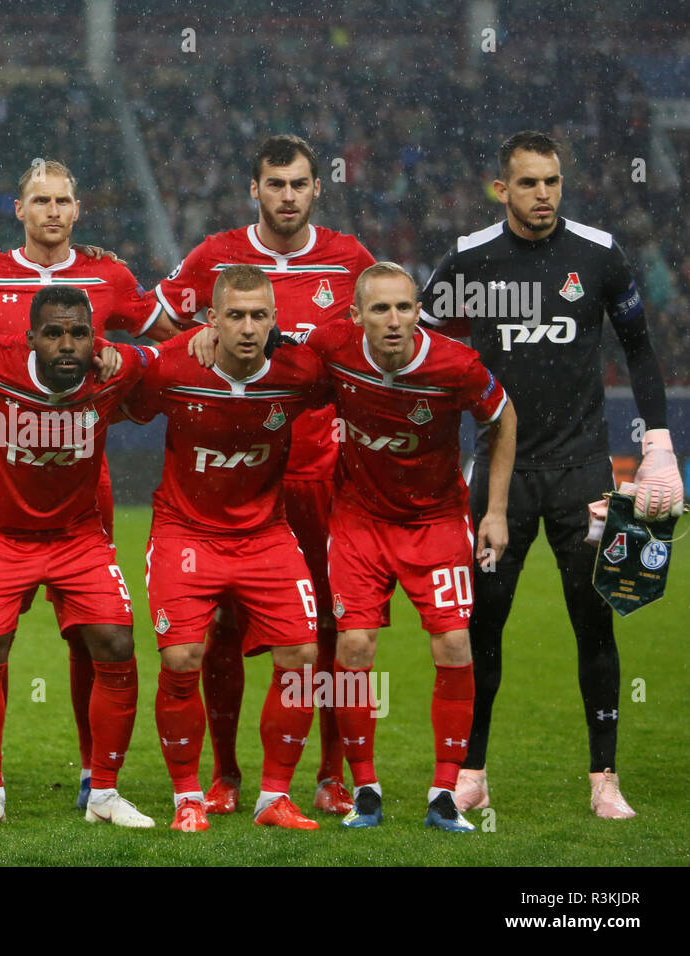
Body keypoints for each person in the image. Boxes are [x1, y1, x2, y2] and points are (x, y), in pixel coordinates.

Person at [418, 130, 682, 818]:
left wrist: (658, 445)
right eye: (529, 183)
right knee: (484, 627)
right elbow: (419, 348)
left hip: (585, 475)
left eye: (553, 182)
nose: (543, 195)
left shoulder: (597, 254)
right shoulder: (470, 261)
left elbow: (641, 351)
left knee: (595, 624)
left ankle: (604, 779)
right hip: (500, 477)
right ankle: (471, 770)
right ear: (501, 188)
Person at [0, 158, 171, 814]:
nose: (53, 212)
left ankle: (98, 776)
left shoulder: (109, 274)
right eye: (41, 200)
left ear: (78, 208)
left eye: (64, 200)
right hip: (5, 473)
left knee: (96, 639)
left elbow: (165, 336)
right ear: (19, 208)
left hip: (83, 486)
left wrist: (135, 354)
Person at [149, 135, 375, 815]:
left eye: (299, 184)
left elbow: (373, 355)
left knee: (330, 633)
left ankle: (331, 774)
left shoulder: (350, 261)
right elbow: (151, 325)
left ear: (316, 189)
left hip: (323, 478)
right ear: (255, 190)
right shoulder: (215, 257)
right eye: (274, 184)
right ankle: (225, 775)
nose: (287, 196)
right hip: (238, 483)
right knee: (214, 629)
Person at [304, 263, 516, 831]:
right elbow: (273, 362)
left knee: (453, 645)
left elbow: (502, 417)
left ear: (418, 310)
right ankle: (366, 788)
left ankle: (444, 793)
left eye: (405, 307)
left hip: (436, 521)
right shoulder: (332, 346)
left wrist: (494, 510)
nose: (394, 321)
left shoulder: (455, 364)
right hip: (359, 520)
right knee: (353, 647)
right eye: (380, 309)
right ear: (355, 316)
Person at [123, 265, 330, 832]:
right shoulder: (173, 367)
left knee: (303, 658)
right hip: (185, 533)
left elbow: (353, 370)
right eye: (234, 315)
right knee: (182, 659)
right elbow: (119, 399)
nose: (247, 327)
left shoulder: (300, 372)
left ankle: (274, 799)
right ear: (211, 320)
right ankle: (188, 796)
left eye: (258, 316)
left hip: (266, 535)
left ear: (275, 321)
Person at [0, 285, 157, 831]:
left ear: (96, 339)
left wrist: (133, 351)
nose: (67, 344)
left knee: (116, 640)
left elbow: (165, 357)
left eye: (79, 333)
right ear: (31, 338)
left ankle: (105, 792)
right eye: (54, 333)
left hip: (77, 536)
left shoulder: (112, 373)